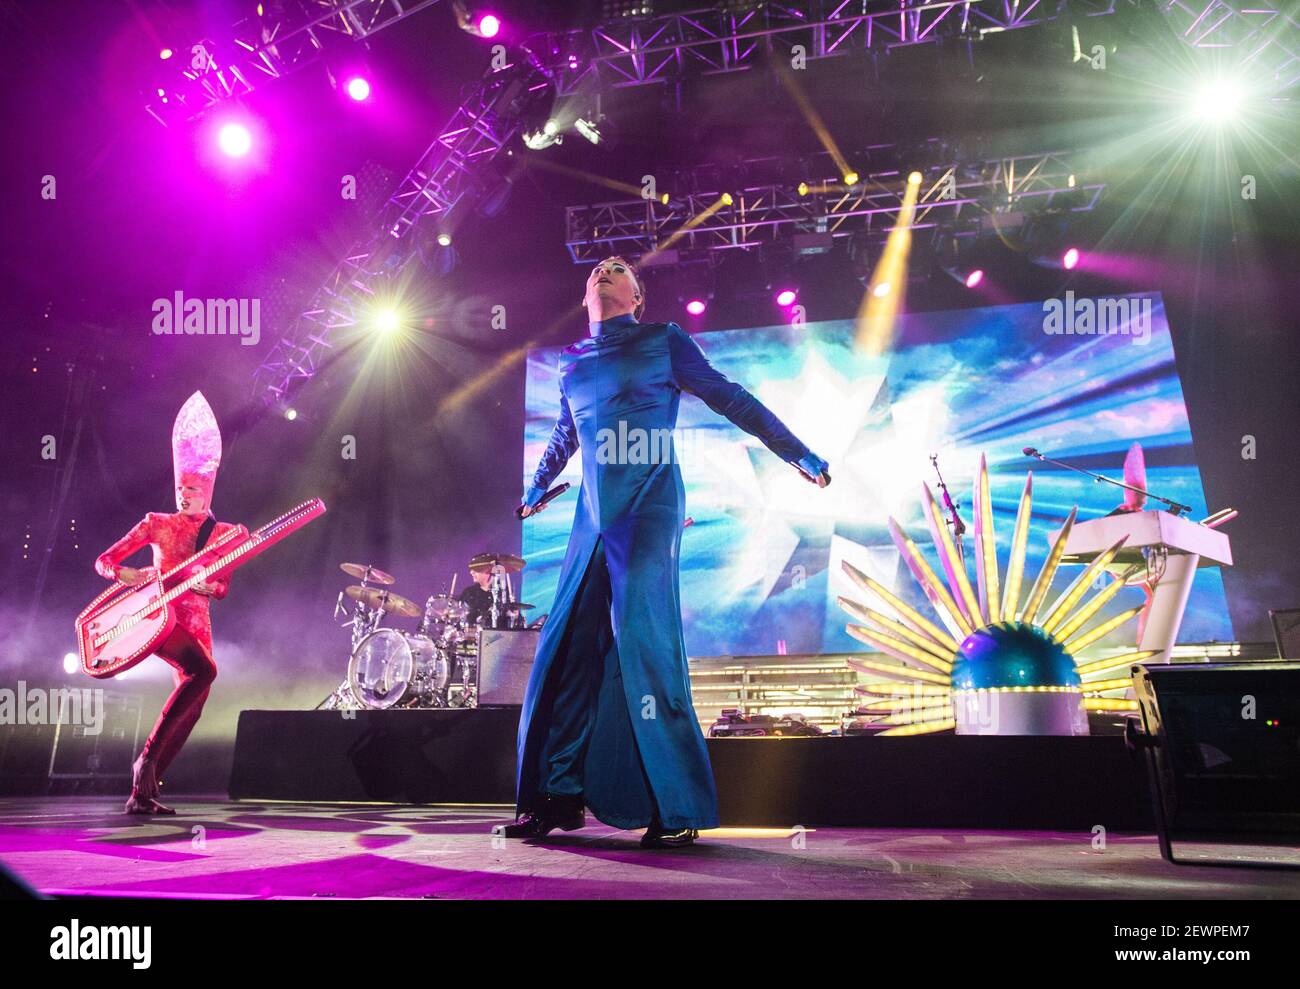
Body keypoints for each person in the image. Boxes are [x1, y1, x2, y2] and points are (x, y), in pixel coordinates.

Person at [502, 256, 830, 848]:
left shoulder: (664, 341)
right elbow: (564, 435)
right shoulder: (570, 363)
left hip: (649, 507)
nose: (606, 269)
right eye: (598, 268)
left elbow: (732, 399)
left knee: (646, 644)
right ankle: (557, 795)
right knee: (567, 649)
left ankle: (674, 807)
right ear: (587, 295)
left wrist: (796, 452)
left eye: (619, 268)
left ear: (636, 296)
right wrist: (533, 489)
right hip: (591, 517)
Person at [94, 392, 247, 815]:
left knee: (193, 707)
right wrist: (123, 573)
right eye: (180, 488)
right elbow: (104, 561)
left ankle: (142, 794)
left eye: (192, 489)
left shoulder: (226, 533)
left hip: (199, 623)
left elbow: (223, 589)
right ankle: (145, 758)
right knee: (204, 670)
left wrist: (205, 587)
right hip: (162, 617)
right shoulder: (156, 523)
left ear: (207, 491)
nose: (184, 495)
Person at [457, 562, 494, 626]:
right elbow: (457, 613)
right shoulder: (468, 592)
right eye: (471, 569)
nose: (471, 572)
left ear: (487, 570)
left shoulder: (501, 594)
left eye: (475, 569)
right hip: (470, 634)